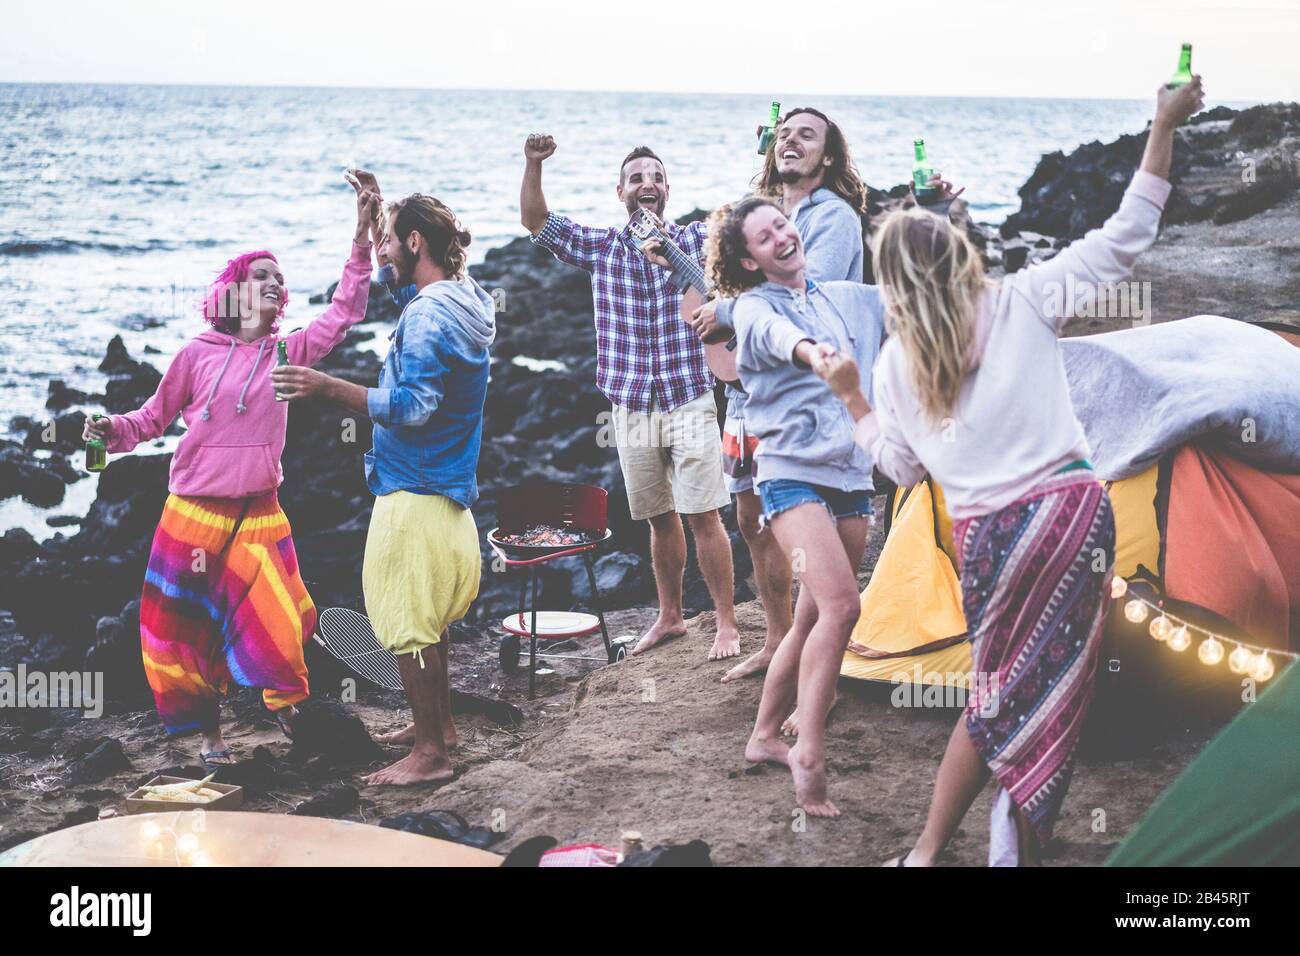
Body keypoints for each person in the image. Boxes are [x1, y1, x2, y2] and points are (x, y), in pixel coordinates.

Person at [815, 75, 1206, 863]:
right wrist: (1163, 122)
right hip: (1074, 514)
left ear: (892, 283)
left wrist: (852, 399)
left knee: (997, 693)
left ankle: (930, 850)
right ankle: (1014, 847)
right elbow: (1132, 226)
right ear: (962, 254)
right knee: (1059, 687)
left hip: (994, 538)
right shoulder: (1023, 300)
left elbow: (898, 467)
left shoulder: (893, 368)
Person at [82, 175, 380, 766]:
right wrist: (108, 430)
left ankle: (290, 713)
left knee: (282, 618)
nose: (276, 283)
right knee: (190, 634)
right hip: (191, 518)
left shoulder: (288, 351)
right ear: (236, 292)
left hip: (259, 516)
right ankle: (212, 739)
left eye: (281, 278)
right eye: (262, 275)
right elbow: (149, 420)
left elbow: (345, 311)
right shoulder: (195, 355)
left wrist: (361, 237)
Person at [272, 192, 493, 786]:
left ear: (415, 243)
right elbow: (407, 287)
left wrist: (324, 385)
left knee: (406, 627)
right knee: (430, 624)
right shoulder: (464, 299)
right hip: (449, 497)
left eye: (392, 241)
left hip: (413, 497)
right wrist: (371, 227)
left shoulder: (426, 316)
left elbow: (412, 406)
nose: (386, 252)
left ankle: (430, 756)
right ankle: (439, 729)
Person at [520, 133, 741, 661]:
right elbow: (535, 222)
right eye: (637, 178)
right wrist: (533, 165)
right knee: (658, 517)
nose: (648, 184)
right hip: (632, 403)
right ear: (621, 192)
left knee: (705, 514)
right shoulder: (601, 248)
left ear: (667, 190)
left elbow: (735, 269)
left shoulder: (695, 241)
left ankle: (728, 624)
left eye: (656, 177)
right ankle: (670, 618)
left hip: (689, 396)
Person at [706, 195, 887, 817]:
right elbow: (774, 334)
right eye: (765, 237)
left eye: (782, 225)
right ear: (751, 261)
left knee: (813, 618)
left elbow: (916, 292)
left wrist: (942, 214)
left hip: (851, 475)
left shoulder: (840, 295)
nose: (782, 236)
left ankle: (762, 736)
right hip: (789, 479)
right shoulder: (757, 307)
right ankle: (808, 752)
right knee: (842, 606)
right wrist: (815, 355)